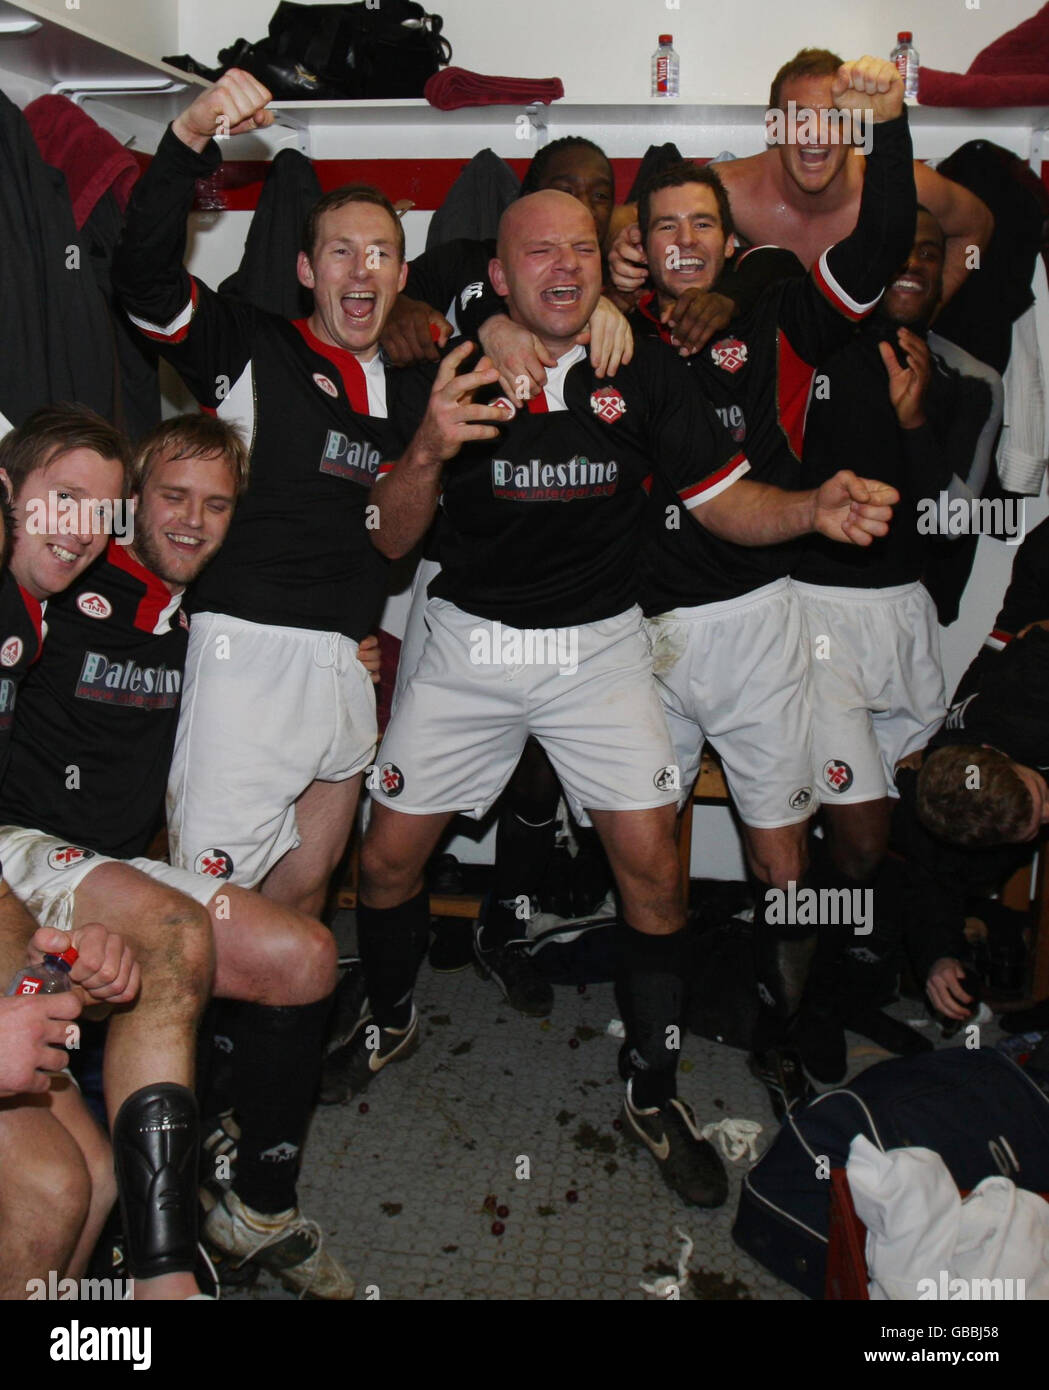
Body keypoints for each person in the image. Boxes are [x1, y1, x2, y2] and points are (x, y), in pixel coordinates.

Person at [331, 182, 896, 1208]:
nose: (561, 267)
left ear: (604, 265)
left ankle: (653, 1084)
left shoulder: (636, 369)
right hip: (470, 644)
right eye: (536, 253)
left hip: (599, 649)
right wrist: (425, 447)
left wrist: (811, 503)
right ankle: (388, 1014)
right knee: (382, 861)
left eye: (581, 250)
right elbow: (388, 539)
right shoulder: (447, 364)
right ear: (497, 278)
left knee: (653, 874)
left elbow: (727, 508)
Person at [0, 415, 354, 1298]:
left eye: (216, 506)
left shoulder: (210, 608)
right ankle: (167, 1259)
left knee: (305, 957)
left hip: (104, 868)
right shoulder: (48, 588)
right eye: (170, 499)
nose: (192, 521)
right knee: (169, 937)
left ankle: (251, 1204)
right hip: (23, 856)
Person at [629, 54, 914, 1116]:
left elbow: (877, 246)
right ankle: (648, 1059)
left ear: (728, 237)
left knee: (777, 853)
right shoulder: (608, 334)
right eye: (666, 228)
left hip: (756, 622)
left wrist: (887, 125)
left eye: (705, 226)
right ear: (641, 246)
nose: (687, 243)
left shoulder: (779, 310)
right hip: (636, 634)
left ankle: (788, 1031)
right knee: (647, 850)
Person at [608, 47, 993, 339]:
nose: (814, 133)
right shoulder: (731, 187)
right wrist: (622, 249)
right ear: (773, 127)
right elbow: (630, 220)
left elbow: (977, 226)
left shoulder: (896, 183)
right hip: (770, 370)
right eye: (797, 117)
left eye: (833, 117)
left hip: (853, 355)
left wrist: (928, 313)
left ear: (856, 126)